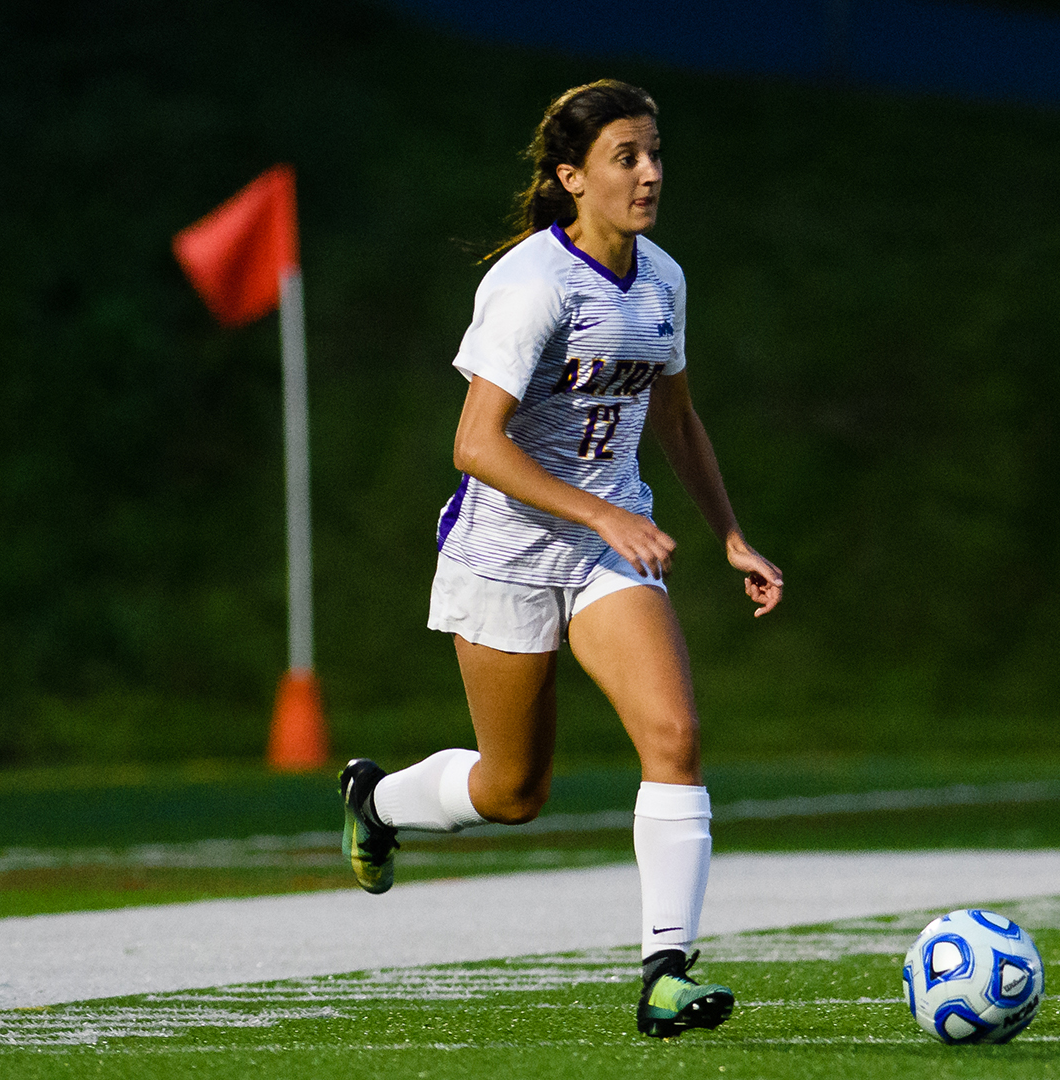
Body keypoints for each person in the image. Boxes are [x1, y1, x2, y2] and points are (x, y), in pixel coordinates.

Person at [336, 79, 783, 1037]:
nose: (650, 173)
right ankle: (376, 800)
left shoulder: (662, 279)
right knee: (513, 791)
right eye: (627, 157)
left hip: (607, 550)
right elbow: (475, 444)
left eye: (655, 153)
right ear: (571, 177)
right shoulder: (533, 284)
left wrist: (731, 534)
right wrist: (600, 512)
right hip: (504, 554)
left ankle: (666, 973)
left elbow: (676, 418)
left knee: (674, 737)